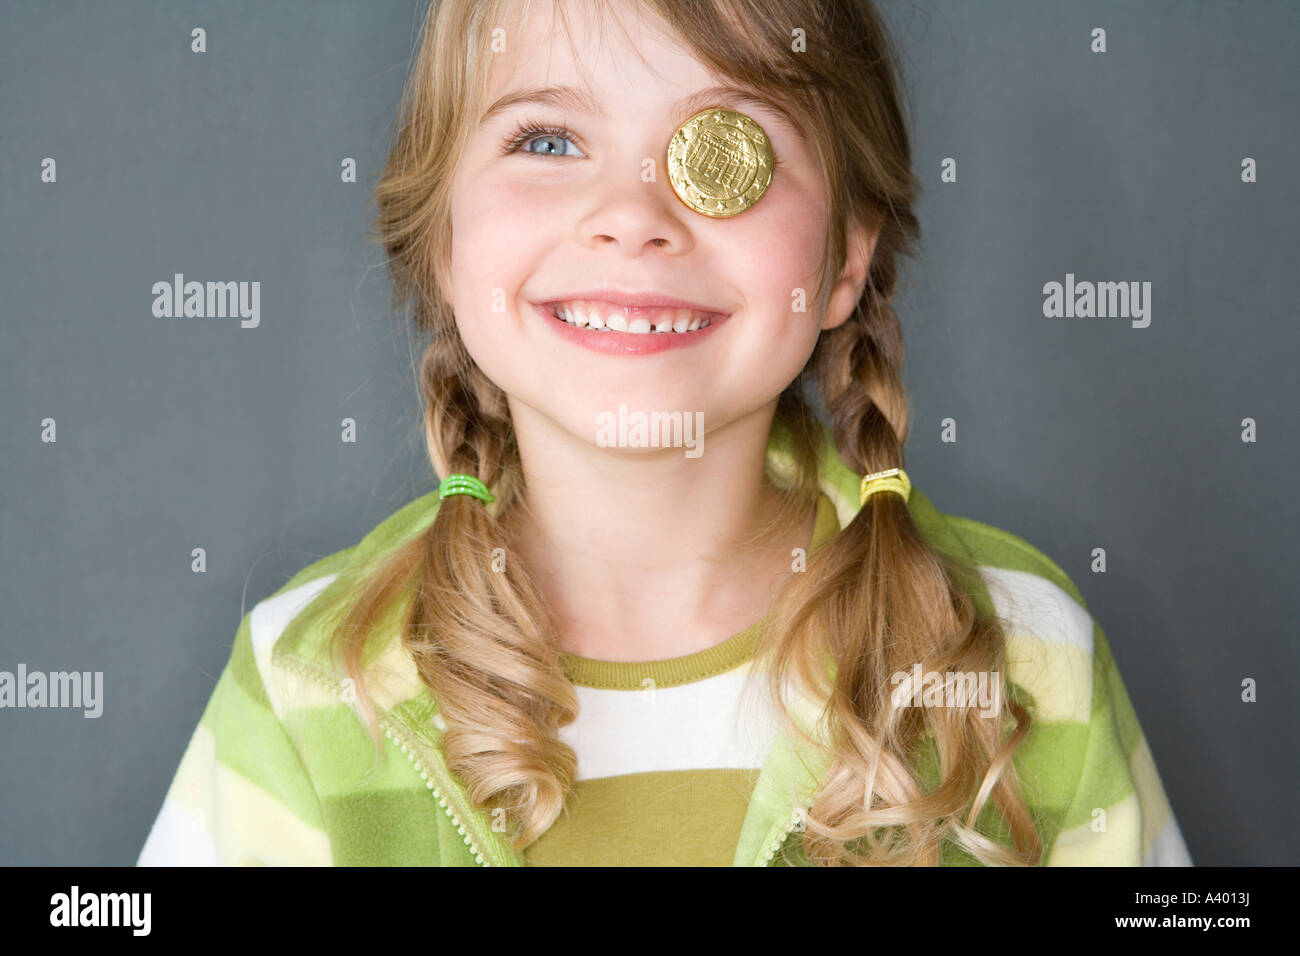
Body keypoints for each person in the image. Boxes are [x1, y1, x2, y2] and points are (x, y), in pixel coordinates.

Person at [138, 0, 1192, 866]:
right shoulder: (314, 679)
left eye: (721, 146)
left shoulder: (1018, 657)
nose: (632, 213)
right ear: (445, 239)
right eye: (546, 139)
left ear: (845, 257)